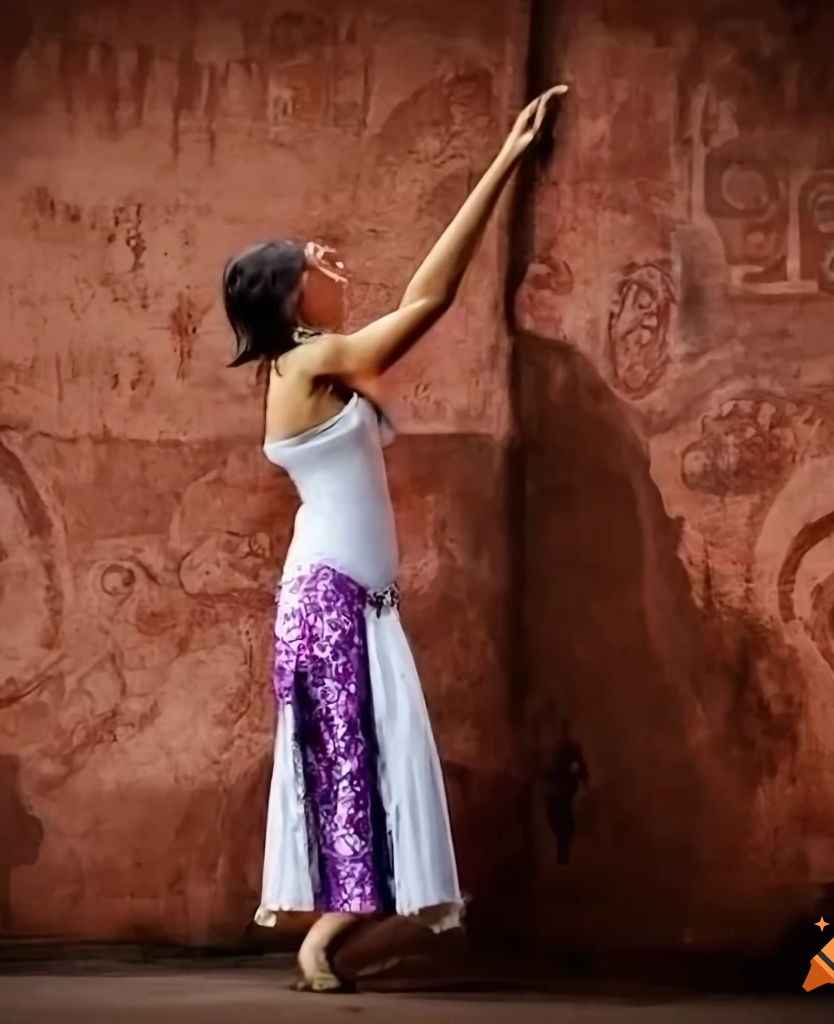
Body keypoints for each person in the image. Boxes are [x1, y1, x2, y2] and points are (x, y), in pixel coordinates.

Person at [221, 84, 567, 993]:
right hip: (331, 601)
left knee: (378, 765)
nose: (332, 258)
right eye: (313, 258)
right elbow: (431, 297)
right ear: (291, 296)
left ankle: (329, 934)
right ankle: (320, 940)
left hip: (353, 602)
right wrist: (503, 161)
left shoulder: (321, 370)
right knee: (364, 768)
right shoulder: (309, 361)